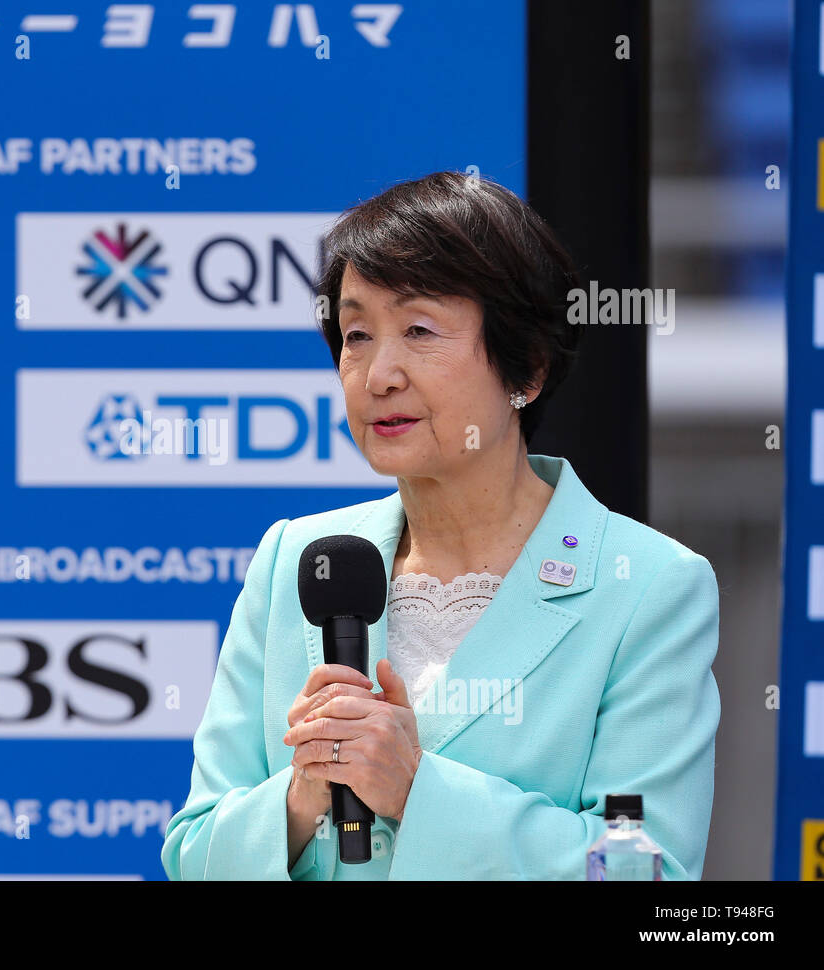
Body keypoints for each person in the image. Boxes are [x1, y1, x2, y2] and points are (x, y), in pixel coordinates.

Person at [160, 172, 721, 880]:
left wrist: (417, 790)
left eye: (419, 330)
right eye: (357, 333)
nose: (377, 374)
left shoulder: (649, 587)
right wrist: (303, 795)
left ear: (529, 367)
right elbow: (193, 851)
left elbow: (647, 869)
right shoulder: (295, 558)